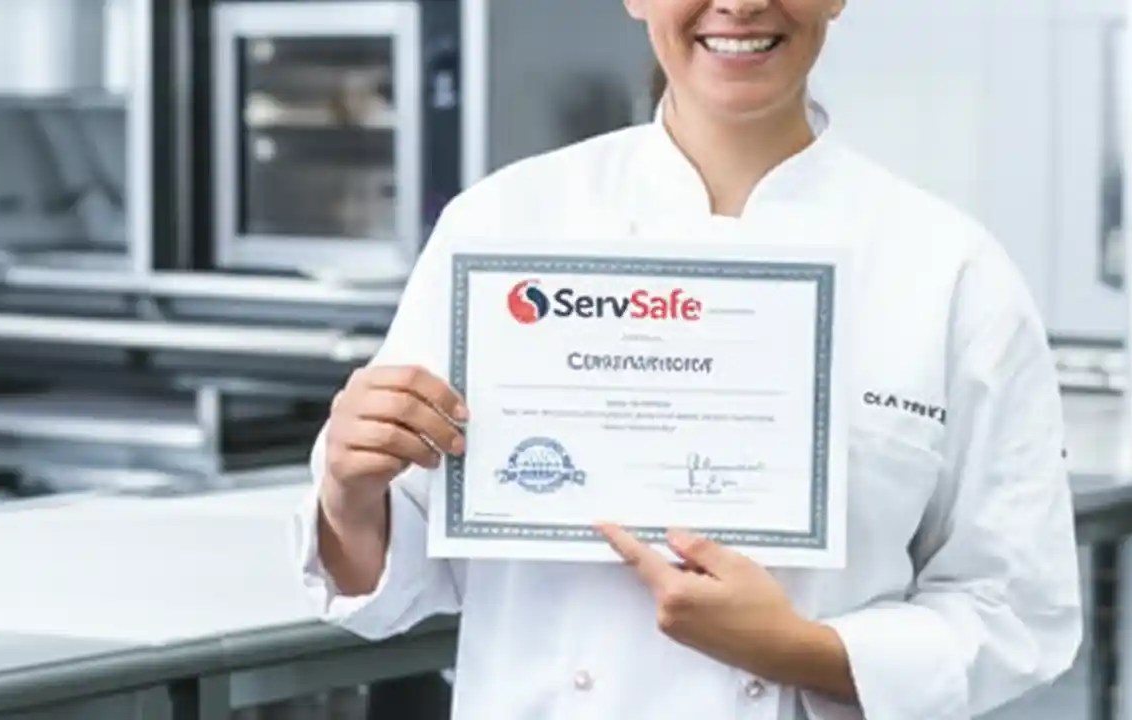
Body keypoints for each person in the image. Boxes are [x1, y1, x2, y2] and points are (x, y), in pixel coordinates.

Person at [291, 0, 1083, 718]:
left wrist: (794, 653)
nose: (738, 5)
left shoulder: (949, 271)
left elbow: (1016, 610)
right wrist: (351, 494)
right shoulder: (504, 226)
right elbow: (393, 588)